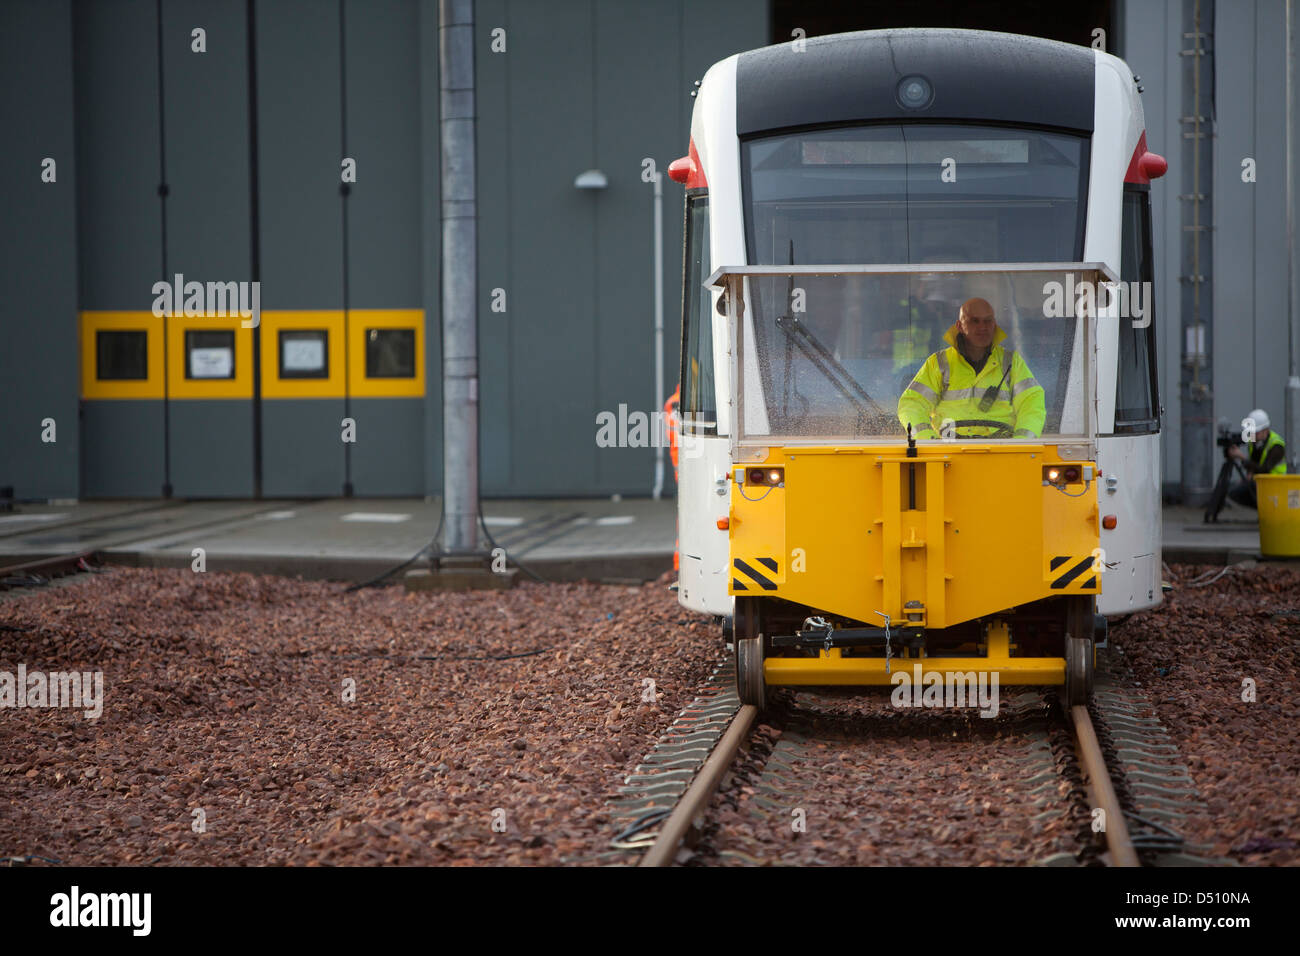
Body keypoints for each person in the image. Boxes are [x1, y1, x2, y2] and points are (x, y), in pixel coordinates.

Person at [897, 297, 1045, 439]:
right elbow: (913, 404)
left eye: (988, 321)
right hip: (949, 452)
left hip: (1001, 451)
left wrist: (1021, 444)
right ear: (959, 326)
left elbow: (1031, 403)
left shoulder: (1012, 362)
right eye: (974, 321)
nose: (982, 327)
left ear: (994, 325)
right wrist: (927, 441)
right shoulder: (939, 363)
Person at [1226, 408, 1287, 509]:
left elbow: (1264, 470)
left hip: (1274, 484)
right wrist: (1249, 473)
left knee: (1240, 490)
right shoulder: (1255, 442)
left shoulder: (1276, 445)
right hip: (1261, 482)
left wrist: (1241, 457)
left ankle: (1267, 508)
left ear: (1266, 430)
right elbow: (1253, 462)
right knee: (1232, 489)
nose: (1253, 435)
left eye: (1256, 432)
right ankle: (1264, 508)